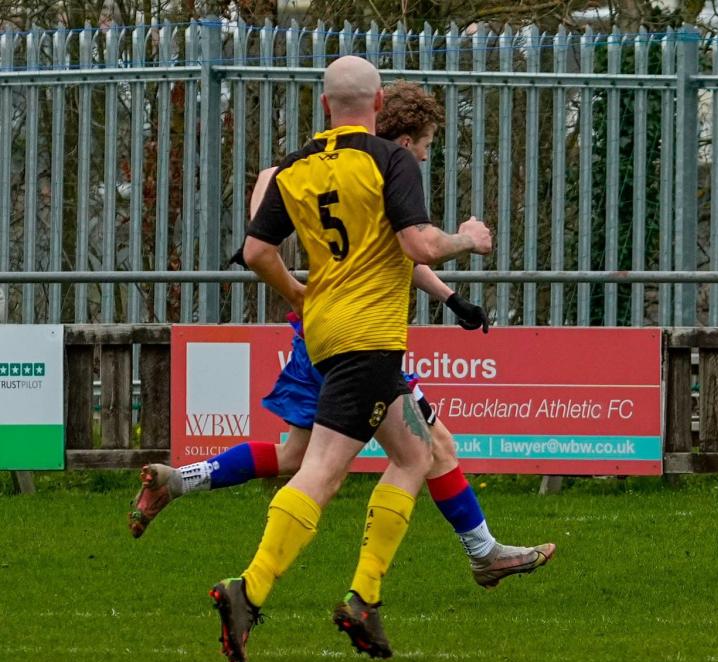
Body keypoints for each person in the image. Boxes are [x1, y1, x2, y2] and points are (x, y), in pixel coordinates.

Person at [129, 80, 553, 593]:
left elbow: (352, 242)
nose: (422, 155)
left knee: (300, 456)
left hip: (322, 330)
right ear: (398, 136)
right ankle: (350, 585)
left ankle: (182, 480)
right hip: (358, 334)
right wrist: (460, 254)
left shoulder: (309, 166)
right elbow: (403, 246)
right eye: (423, 145)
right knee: (403, 453)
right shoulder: (379, 168)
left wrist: (448, 299)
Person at [209, 56, 494, 662]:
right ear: (379, 101)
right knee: (321, 473)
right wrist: (468, 238)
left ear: (322, 104)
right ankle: (249, 589)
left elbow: (257, 250)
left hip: (327, 331)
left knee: (416, 454)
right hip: (370, 336)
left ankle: (364, 599)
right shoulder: (388, 159)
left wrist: (296, 293)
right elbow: (418, 244)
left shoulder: (297, 165)